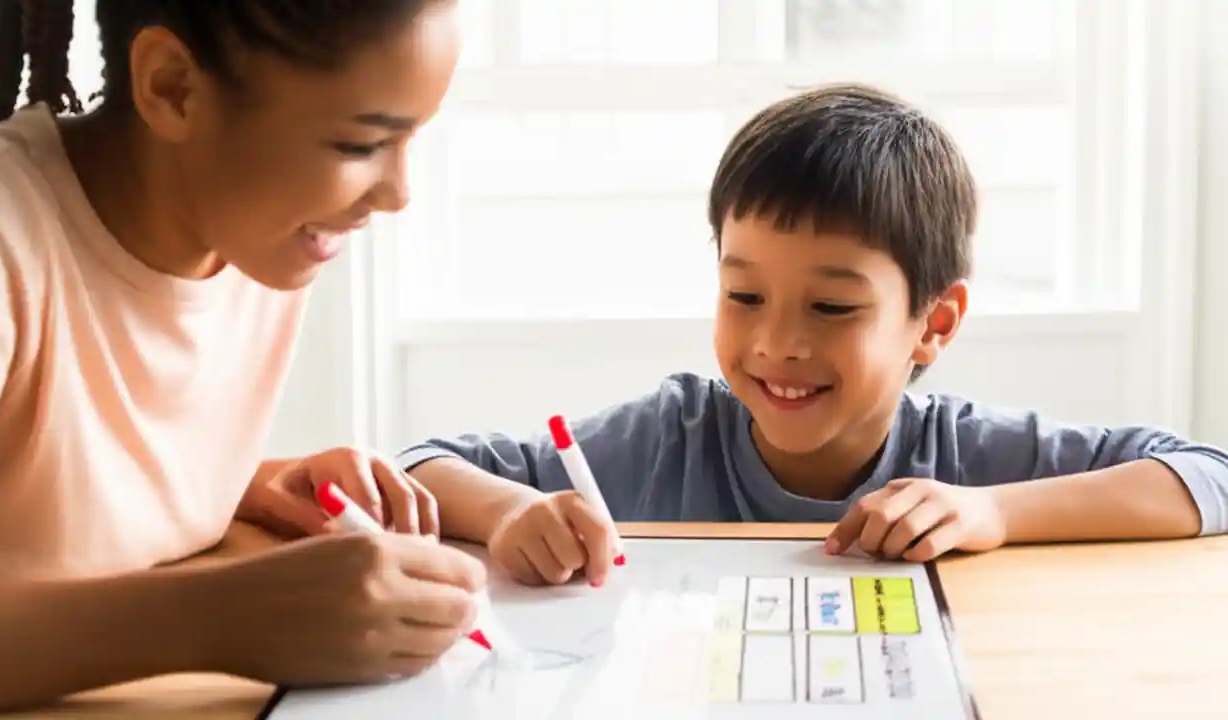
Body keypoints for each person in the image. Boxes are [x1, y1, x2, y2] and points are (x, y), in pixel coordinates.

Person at [400, 83, 1228, 588]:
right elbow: (418, 467)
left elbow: (1210, 476)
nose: (777, 342)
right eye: (744, 294)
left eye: (831, 308)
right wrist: (511, 510)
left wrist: (993, 512)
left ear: (933, 324)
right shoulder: (669, 437)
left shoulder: (965, 456)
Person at [0, 1, 485, 716]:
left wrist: (250, 487)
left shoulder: (244, 239)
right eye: (358, 145)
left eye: (412, 137)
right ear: (172, 87)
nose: (398, 194)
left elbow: (36, 503)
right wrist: (214, 618)